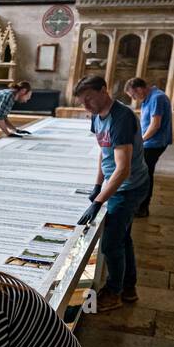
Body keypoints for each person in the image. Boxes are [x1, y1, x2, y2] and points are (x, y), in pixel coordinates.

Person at [73, 75, 149, 312]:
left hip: (129, 189)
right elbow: (104, 152)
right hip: (115, 185)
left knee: (110, 243)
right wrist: (98, 185)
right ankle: (128, 287)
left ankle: (113, 292)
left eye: (89, 99)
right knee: (123, 239)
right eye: (81, 102)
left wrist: (98, 201)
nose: (86, 106)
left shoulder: (121, 118)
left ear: (104, 90)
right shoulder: (97, 115)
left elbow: (123, 169)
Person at [124, 77, 172, 218]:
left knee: (144, 175)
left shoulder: (157, 98)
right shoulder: (150, 97)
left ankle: (142, 208)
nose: (134, 99)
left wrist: (140, 140)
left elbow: (155, 125)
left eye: (133, 95)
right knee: (144, 173)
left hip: (153, 143)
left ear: (139, 89)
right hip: (150, 142)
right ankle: (140, 206)